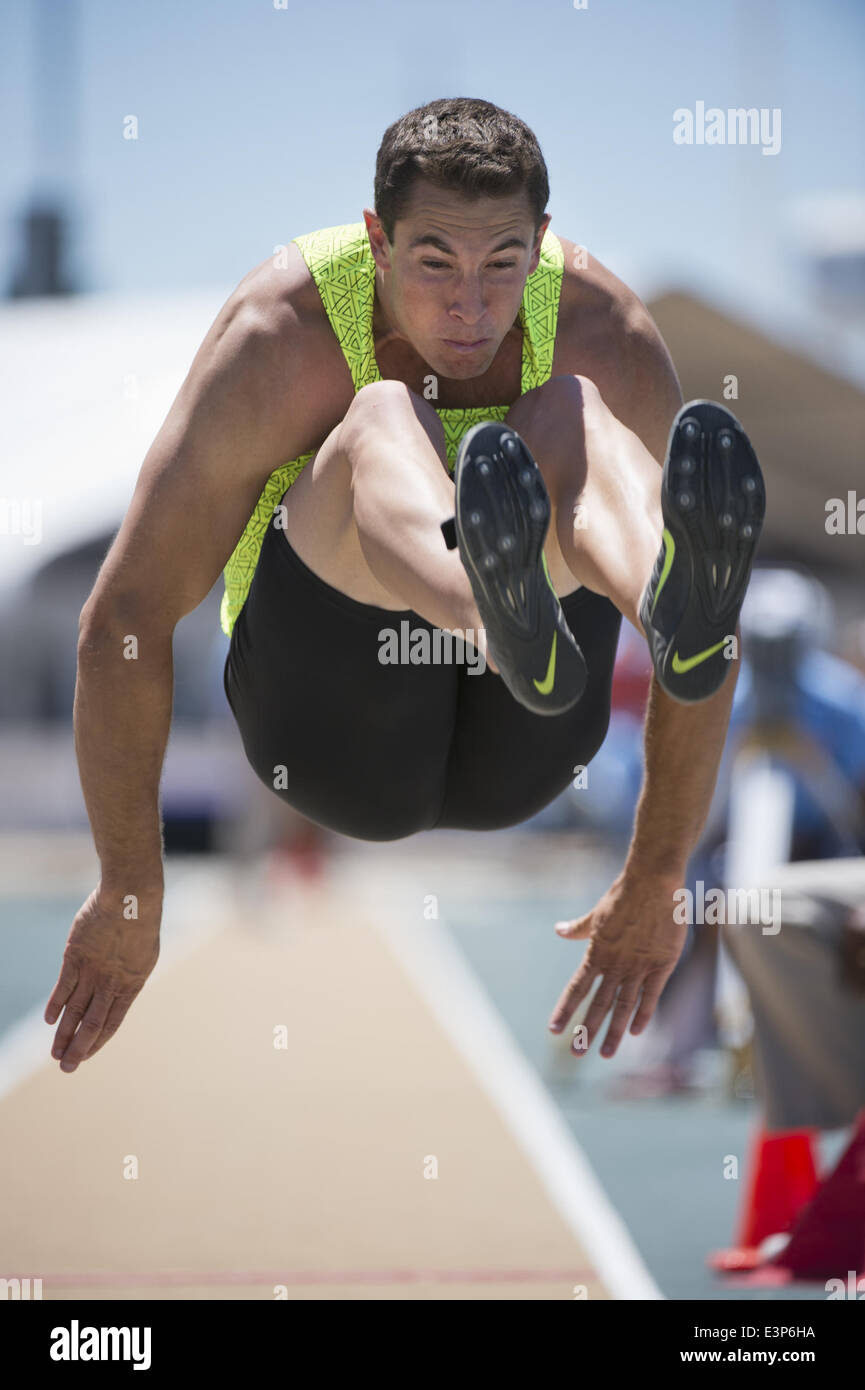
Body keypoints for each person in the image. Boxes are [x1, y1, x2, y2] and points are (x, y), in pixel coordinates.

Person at [46, 97, 765, 1075]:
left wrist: (656, 873)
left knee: (576, 412)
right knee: (382, 414)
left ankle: (658, 591)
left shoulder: (605, 328)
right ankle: (485, 602)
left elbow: (706, 668)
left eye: (501, 263)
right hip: (327, 729)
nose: (469, 307)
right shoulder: (280, 333)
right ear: (378, 243)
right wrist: (130, 887)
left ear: (541, 241)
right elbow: (123, 617)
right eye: (434, 264)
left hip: (530, 735)